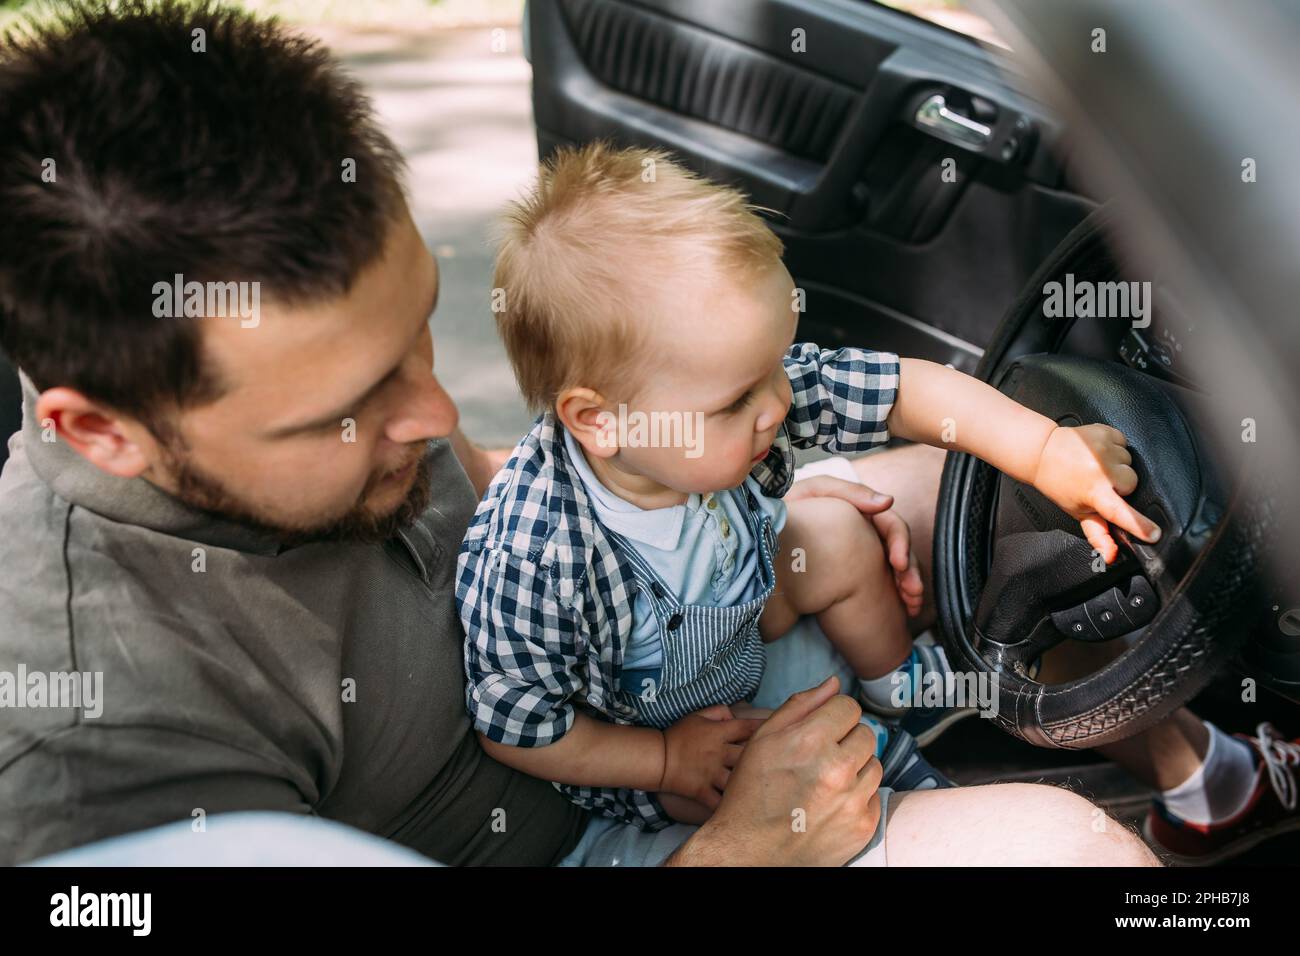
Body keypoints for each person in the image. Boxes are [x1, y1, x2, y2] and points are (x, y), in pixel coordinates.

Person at [0, 0, 1156, 867]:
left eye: (418, 339)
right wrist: (738, 851)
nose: (438, 415)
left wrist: (789, 503)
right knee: (1070, 850)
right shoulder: (103, 757)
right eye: (347, 410)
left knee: (991, 502)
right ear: (101, 430)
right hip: (619, 836)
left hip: (663, 670)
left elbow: (512, 489)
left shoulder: (369, 443)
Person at [456, 142, 1162, 833]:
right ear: (598, 420)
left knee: (831, 538)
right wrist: (665, 760)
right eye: (737, 400)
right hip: (662, 737)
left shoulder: (731, 395)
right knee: (753, 788)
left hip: (738, 631)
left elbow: (903, 389)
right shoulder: (538, 560)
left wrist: (1040, 449)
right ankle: (896, 804)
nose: (777, 405)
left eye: (775, 368)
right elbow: (521, 729)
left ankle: (901, 693)